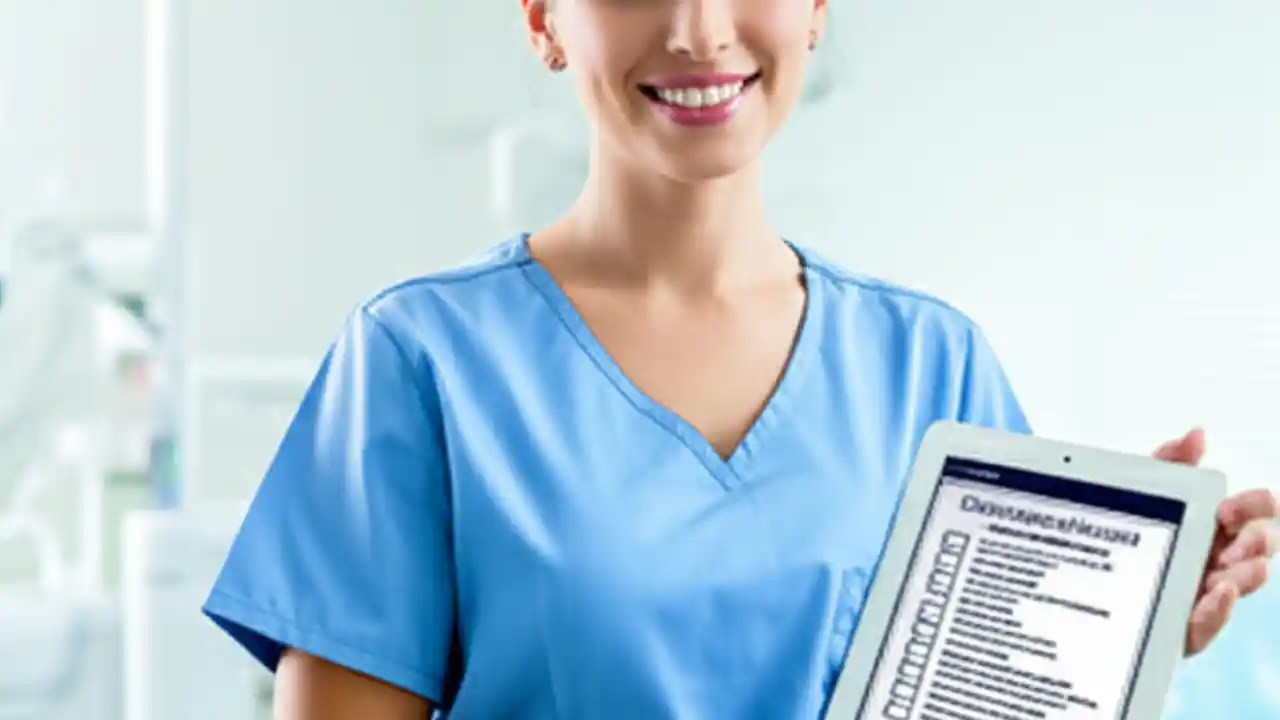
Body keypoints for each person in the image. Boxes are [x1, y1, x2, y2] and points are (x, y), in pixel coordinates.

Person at [202, 1, 1279, 717]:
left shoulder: (928, 362)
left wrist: (1119, 639)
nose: (696, 31)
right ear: (541, 19)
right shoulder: (422, 361)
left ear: (814, 7)